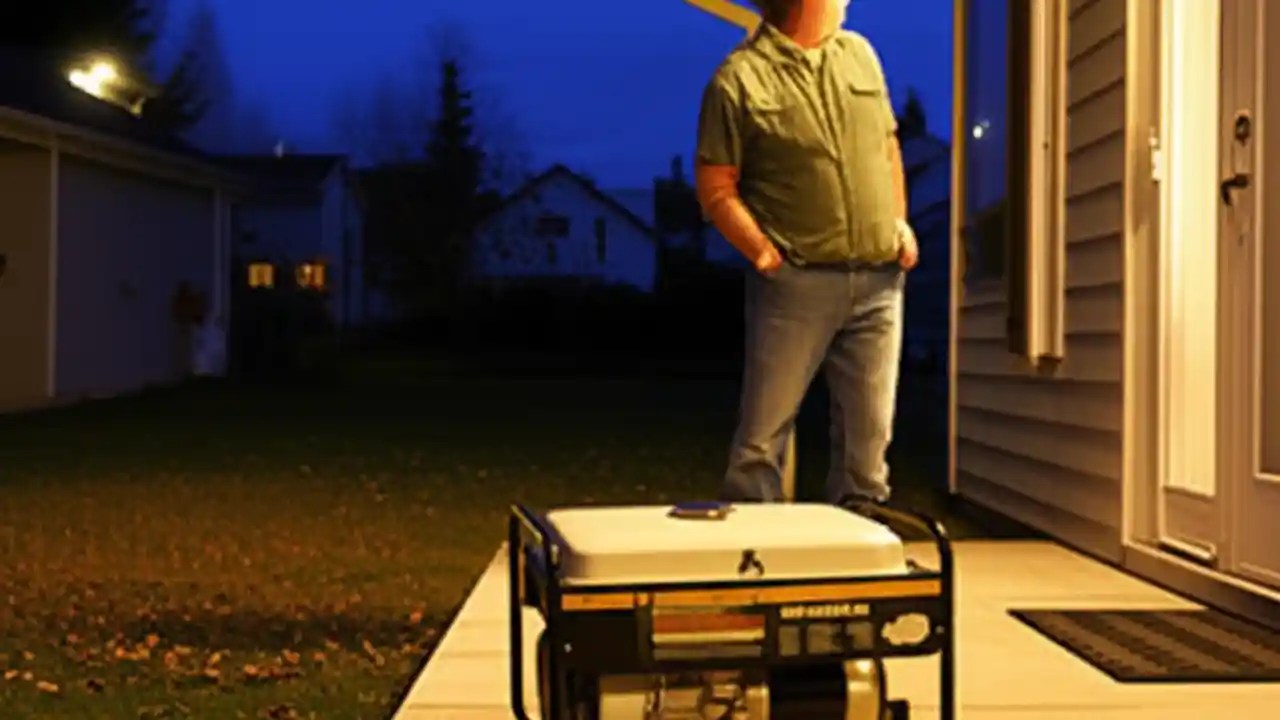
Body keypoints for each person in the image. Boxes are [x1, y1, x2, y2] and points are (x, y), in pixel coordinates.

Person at [694, 0, 917, 507]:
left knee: (869, 443)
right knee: (762, 439)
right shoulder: (738, 80)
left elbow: (887, 149)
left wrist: (899, 222)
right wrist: (763, 252)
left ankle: (859, 554)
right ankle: (760, 562)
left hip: (880, 285)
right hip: (797, 286)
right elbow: (715, 187)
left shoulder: (861, 55)